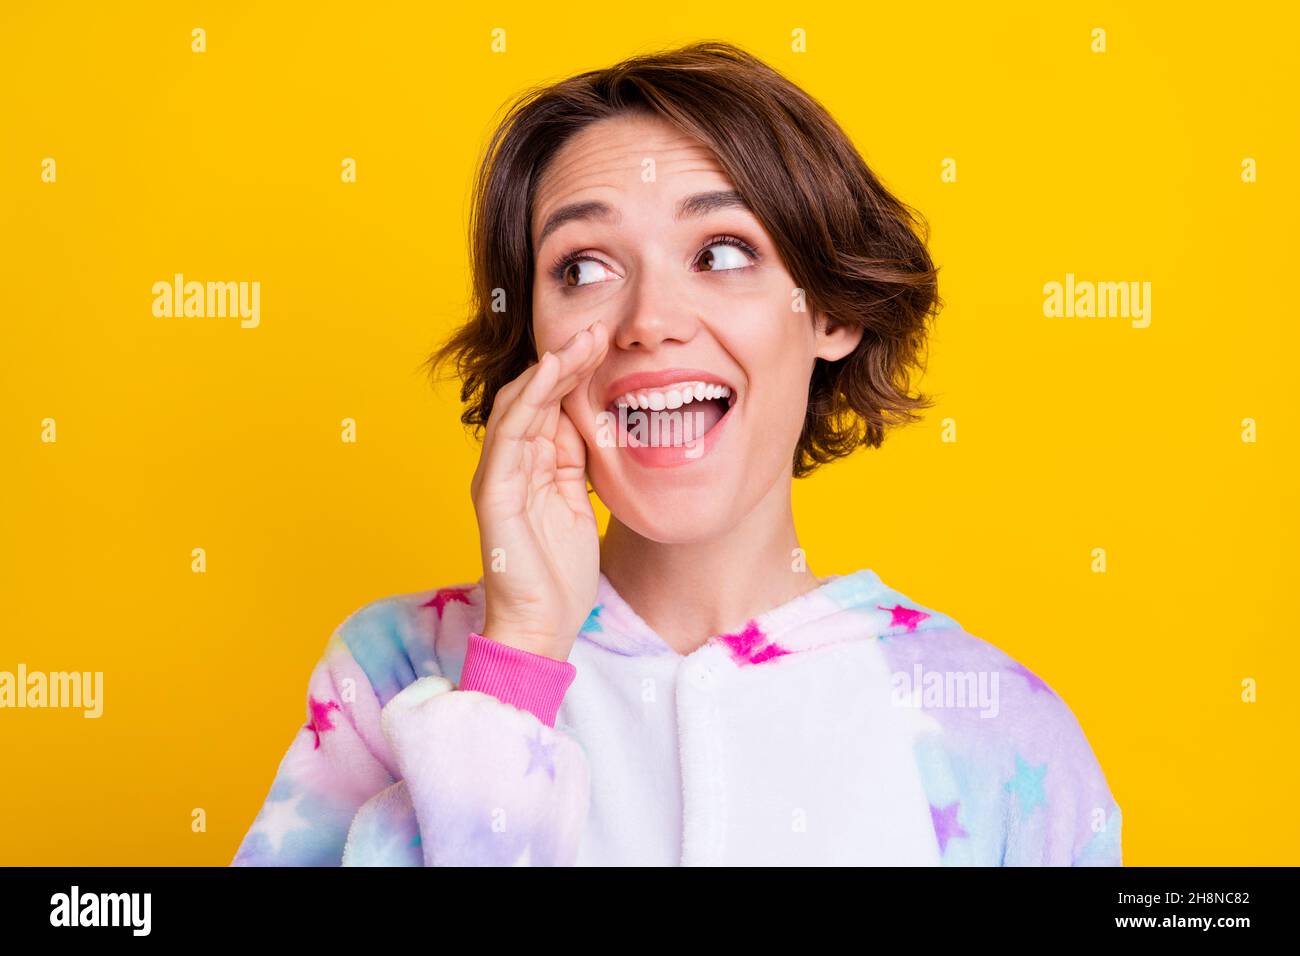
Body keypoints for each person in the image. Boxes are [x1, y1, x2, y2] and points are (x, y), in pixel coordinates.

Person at [231, 41, 1122, 866]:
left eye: (723, 250)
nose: (650, 320)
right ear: (536, 336)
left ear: (831, 313)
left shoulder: (1000, 733)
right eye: (583, 268)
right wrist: (519, 665)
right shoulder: (393, 670)